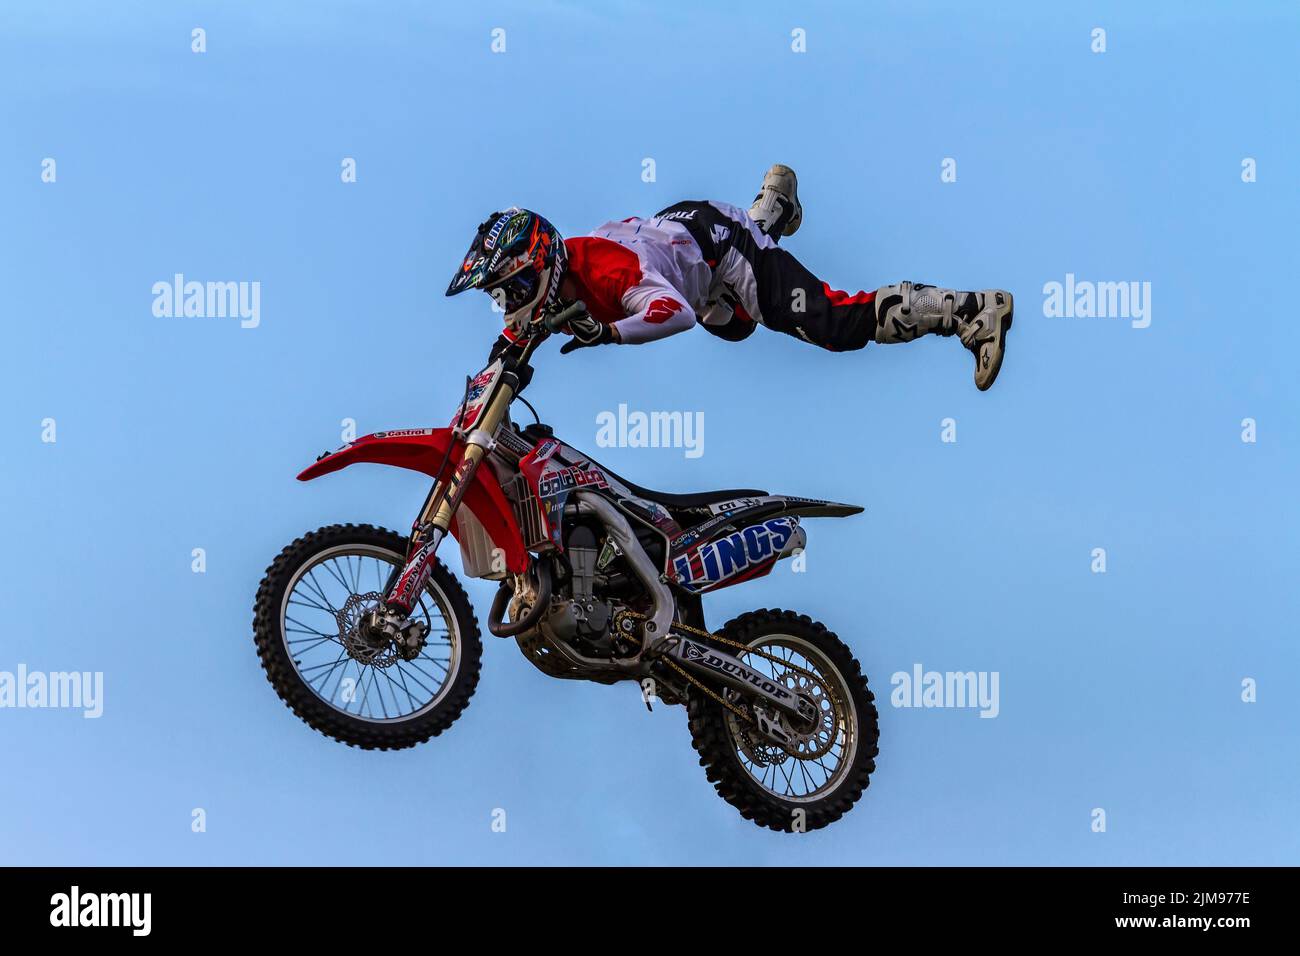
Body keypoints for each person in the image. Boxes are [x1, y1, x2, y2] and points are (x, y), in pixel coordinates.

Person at [446, 165, 1013, 389]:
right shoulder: (549, 287)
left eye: (512, 290)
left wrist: (611, 333)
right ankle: (770, 210)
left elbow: (676, 314)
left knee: (831, 322)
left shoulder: (611, 274)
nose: (510, 306)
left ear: (541, 266)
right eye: (500, 295)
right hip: (685, 240)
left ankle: (969, 310)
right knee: (736, 328)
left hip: (719, 250)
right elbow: (505, 354)